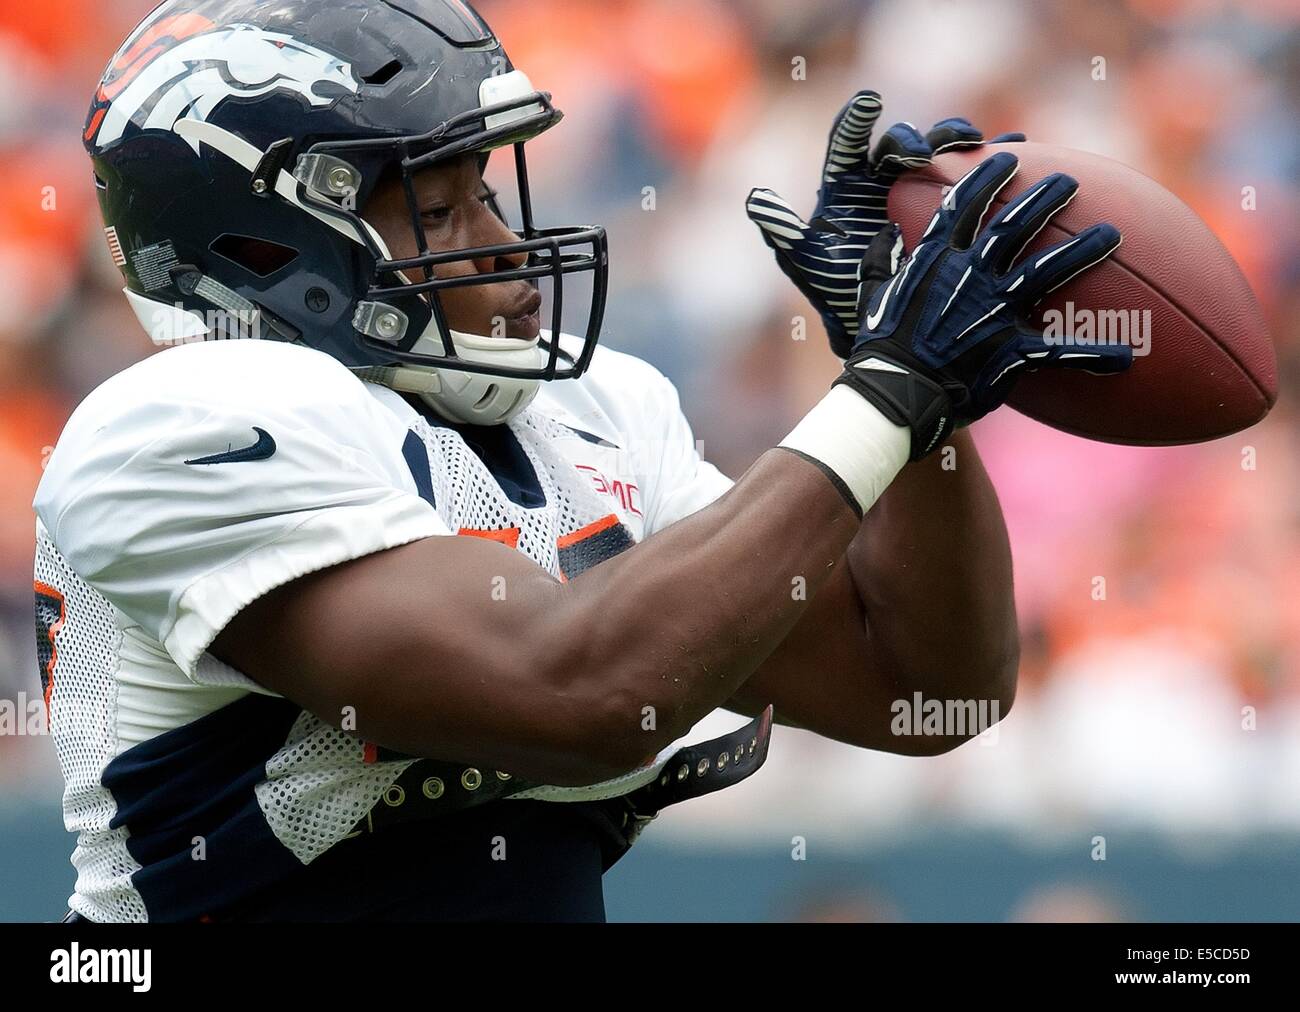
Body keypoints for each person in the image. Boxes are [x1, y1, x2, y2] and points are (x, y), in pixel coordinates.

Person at [34, 0, 1128, 923]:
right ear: (265, 248)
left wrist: (920, 407)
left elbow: (922, 687)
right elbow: (573, 689)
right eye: (439, 204)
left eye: (485, 188)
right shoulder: (177, 422)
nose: (503, 240)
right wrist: (889, 390)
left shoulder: (596, 408)